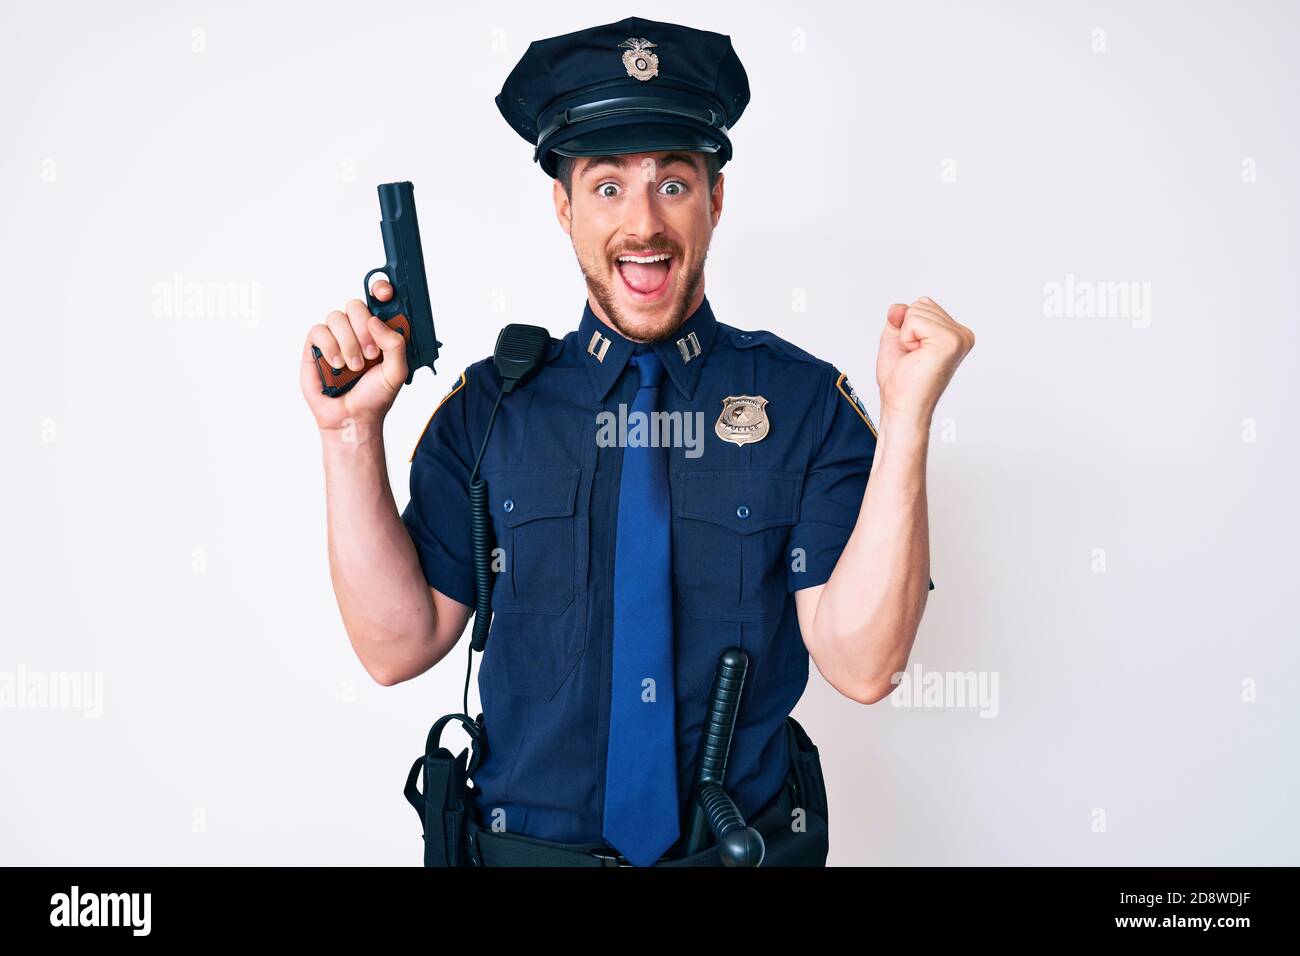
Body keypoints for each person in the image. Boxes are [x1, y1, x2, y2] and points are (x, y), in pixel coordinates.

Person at [299, 15, 974, 867]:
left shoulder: (804, 404)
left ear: (716, 200)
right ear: (564, 207)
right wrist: (349, 432)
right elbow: (397, 647)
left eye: (674, 184)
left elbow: (864, 664)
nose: (644, 223)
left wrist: (909, 416)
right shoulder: (491, 408)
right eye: (608, 186)